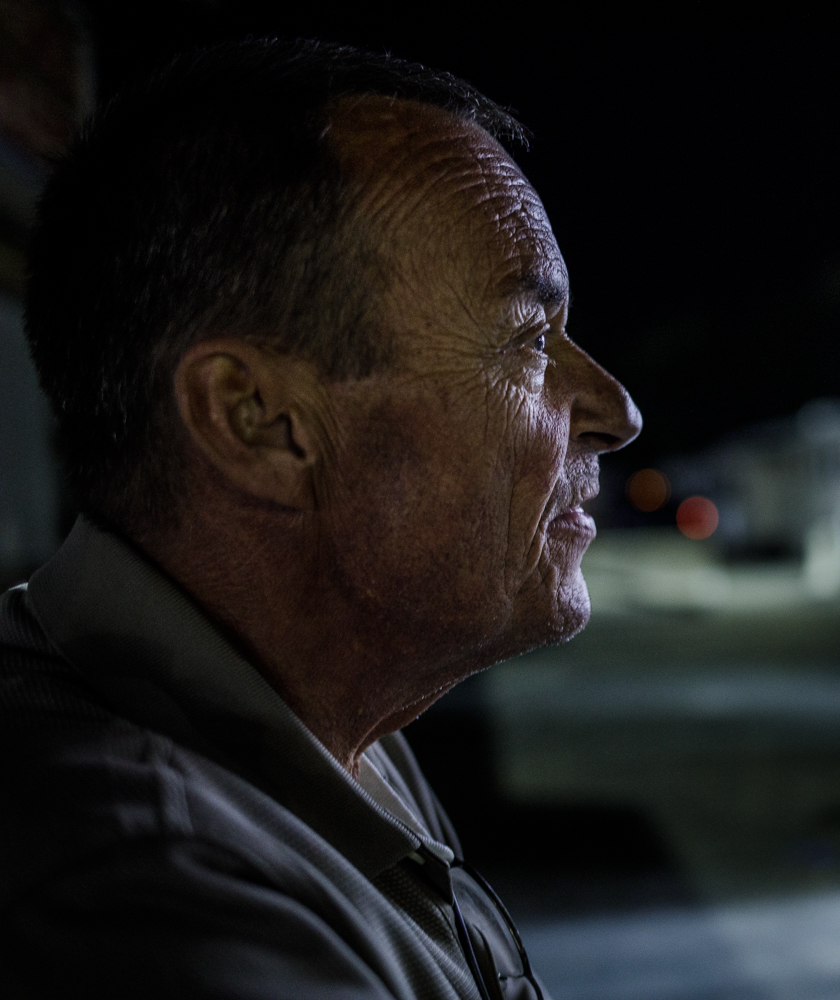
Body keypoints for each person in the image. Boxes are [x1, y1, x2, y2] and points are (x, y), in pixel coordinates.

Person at [0, 37, 640, 999]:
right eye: (525, 340)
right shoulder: (150, 896)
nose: (616, 411)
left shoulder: (330, 706)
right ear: (258, 422)